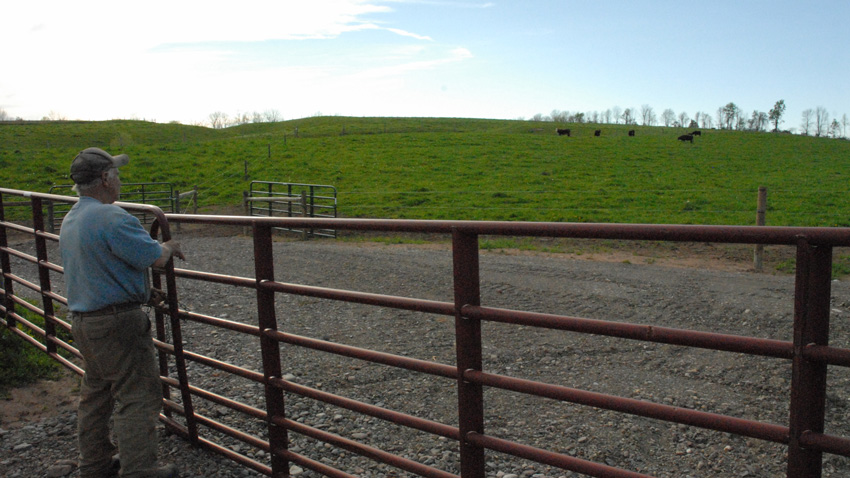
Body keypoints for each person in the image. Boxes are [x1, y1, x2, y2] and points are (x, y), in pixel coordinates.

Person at [60, 147, 184, 478]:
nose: (119, 180)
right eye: (116, 173)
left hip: (84, 321)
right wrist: (169, 247)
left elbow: (102, 267)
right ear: (104, 178)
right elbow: (153, 257)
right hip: (117, 323)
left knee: (96, 394)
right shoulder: (111, 216)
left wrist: (141, 292)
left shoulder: (71, 218)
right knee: (138, 395)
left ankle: (95, 464)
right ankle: (139, 470)